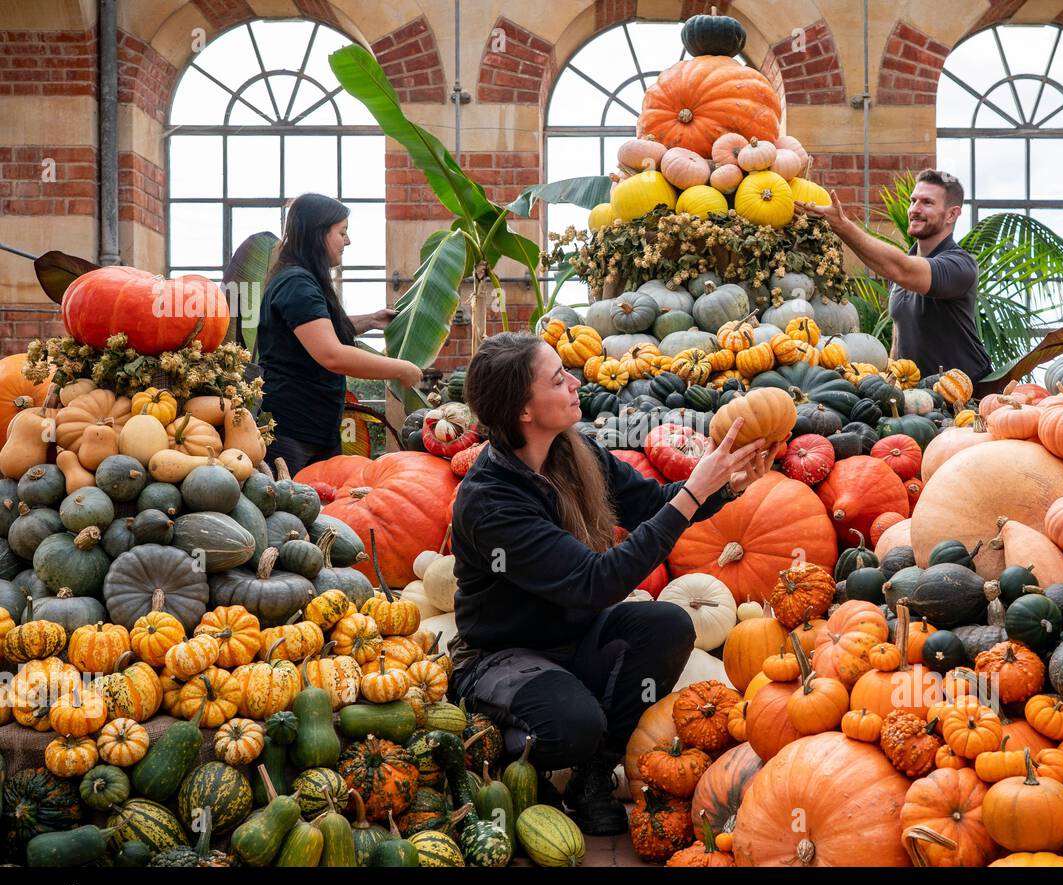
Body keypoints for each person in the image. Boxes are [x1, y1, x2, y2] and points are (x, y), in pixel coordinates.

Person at [447, 332, 774, 835]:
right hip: (502, 657)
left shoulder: (574, 452)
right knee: (573, 723)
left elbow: (651, 502)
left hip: (574, 640)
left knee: (667, 625)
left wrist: (727, 483)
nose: (576, 383)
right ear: (523, 412)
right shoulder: (491, 502)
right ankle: (507, 750)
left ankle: (593, 772)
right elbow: (596, 583)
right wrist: (693, 492)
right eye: (558, 379)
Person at [258, 193, 424, 475]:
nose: (347, 241)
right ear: (317, 234)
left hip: (316, 428)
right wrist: (400, 369)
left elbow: (317, 329)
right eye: (342, 232)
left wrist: (371, 320)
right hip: (294, 430)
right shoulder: (297, 283)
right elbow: (331, 354)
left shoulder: (301, 278)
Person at [795, 169, 992, 386]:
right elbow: (899, 336)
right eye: (913, 200)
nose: (914, 209)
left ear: (952, 214)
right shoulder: (900, 269)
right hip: (923, 397)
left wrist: (841, 225)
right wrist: (890, 381)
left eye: (927, 203)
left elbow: (903, 270)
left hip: (970, 393)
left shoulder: (960, 266)